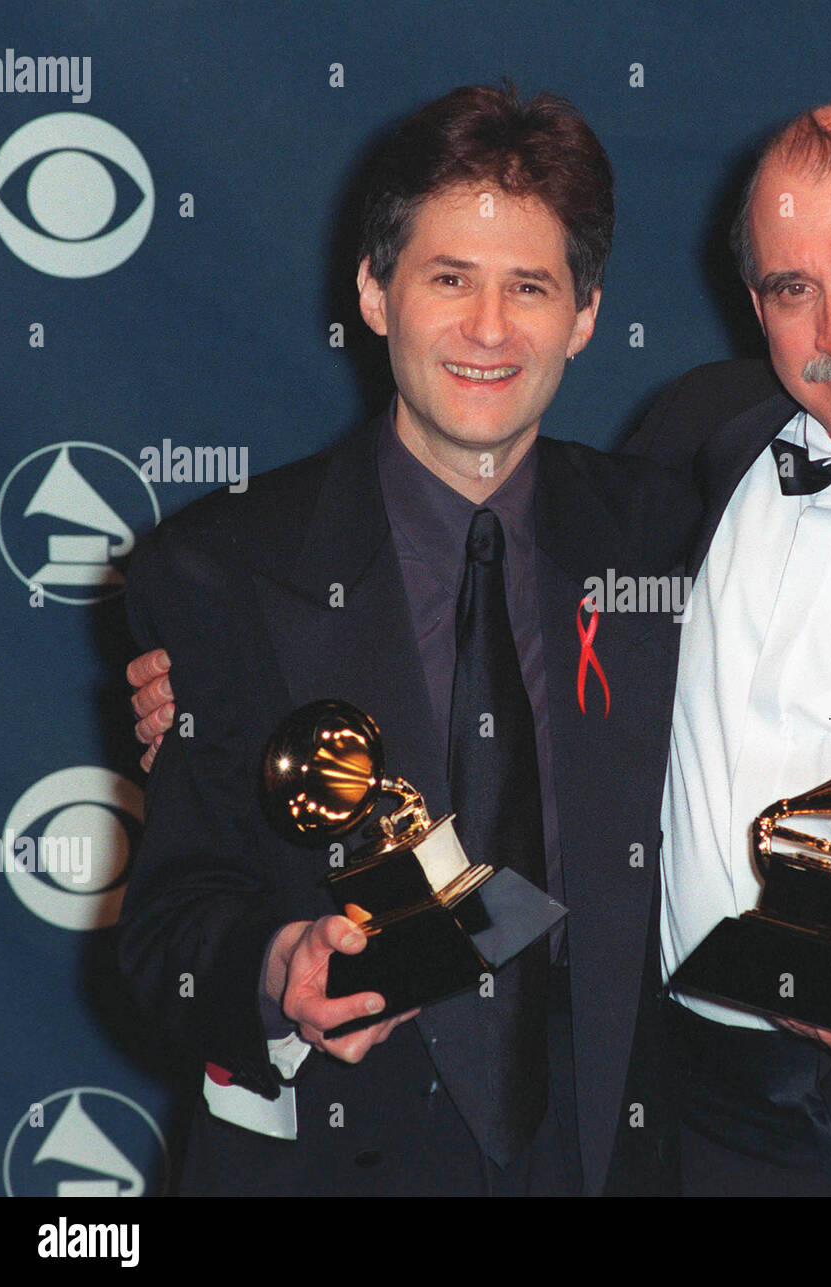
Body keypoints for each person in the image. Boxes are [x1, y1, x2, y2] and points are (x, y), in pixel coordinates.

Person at [132, 99, 831, 1197]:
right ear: (374, 292)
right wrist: (220, 766)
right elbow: (179, 911)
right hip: (674, 1140)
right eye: (795, 288)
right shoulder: (693, 453)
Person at [118, 84, 694, 1196]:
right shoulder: (217, 571)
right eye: (448, 280)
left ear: (584, 316)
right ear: (375, 293)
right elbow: (164, 943)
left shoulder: (677, 543)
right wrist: (275, 969)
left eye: (529, 287)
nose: (488, 330)